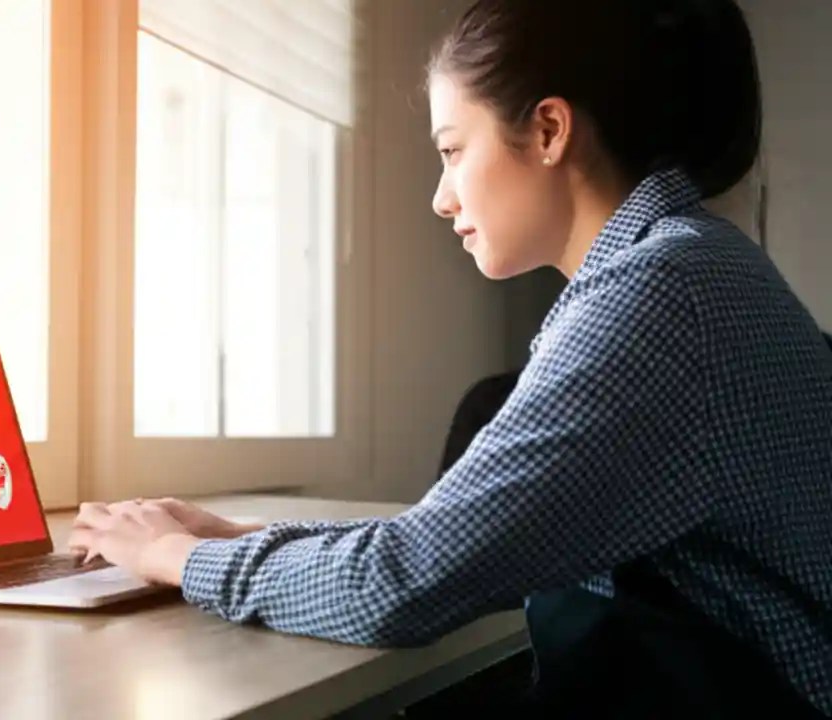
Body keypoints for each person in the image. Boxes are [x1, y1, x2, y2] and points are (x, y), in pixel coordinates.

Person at [69, 0, 832, 716]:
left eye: (453, 150)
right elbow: (461, 538)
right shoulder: (688, 263)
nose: (442, 197)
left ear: (548, 131)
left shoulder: (656, 292)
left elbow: (397, 586)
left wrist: (175, 557)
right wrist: (236, 538)